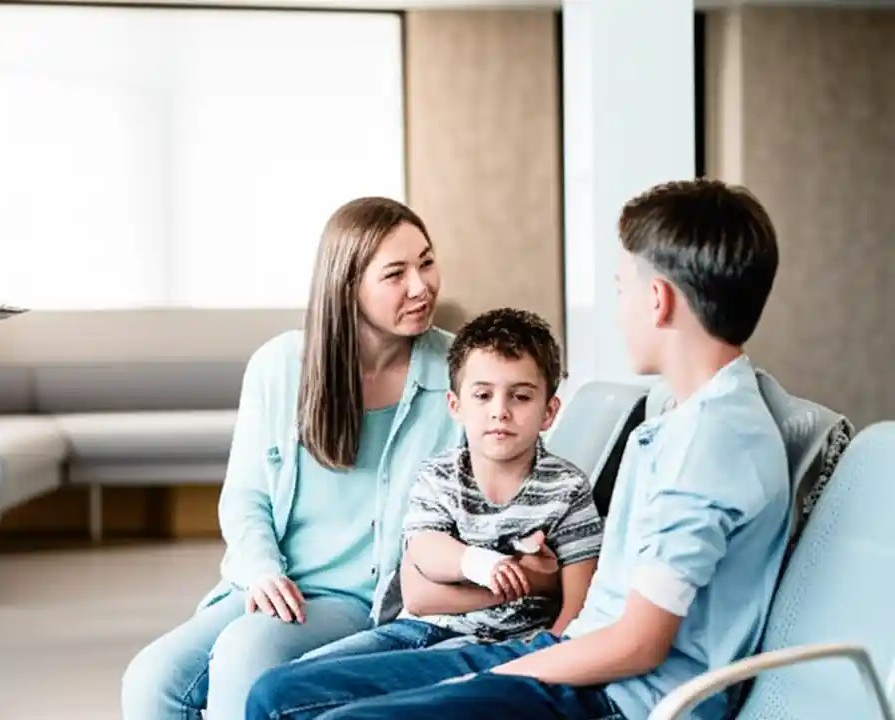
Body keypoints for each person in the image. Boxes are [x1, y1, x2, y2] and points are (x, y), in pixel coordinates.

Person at [245, 177, 790, 720]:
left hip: (614, 693)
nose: (615, 308)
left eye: (620, 288)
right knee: (275, 697)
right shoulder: (687, 413)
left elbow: (638, 646)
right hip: (568, 658)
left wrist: (491, 674)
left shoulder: (710, 446)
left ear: (657, 299)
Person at [120, 197, 463, 719]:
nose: (421, 285)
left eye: (427, 262)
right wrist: (260, 571)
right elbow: (245, 496)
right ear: (347, 286)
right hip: (274, 583)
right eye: (396, 273)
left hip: (366, 600)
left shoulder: (461, 372)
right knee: (152, 679)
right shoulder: (280, 366)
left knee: (246, 656)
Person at [298, 308, 601, 663]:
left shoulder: (568, 490)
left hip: (507, 647)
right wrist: (488, 566)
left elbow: (577, 609)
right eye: (483, 395)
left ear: (548, 412)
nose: (499, 411)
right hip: (416, 629)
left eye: (520, 396)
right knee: (297, 678)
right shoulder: (438, 476)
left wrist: (540, 666)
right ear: (455, 406)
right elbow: (425, 554)